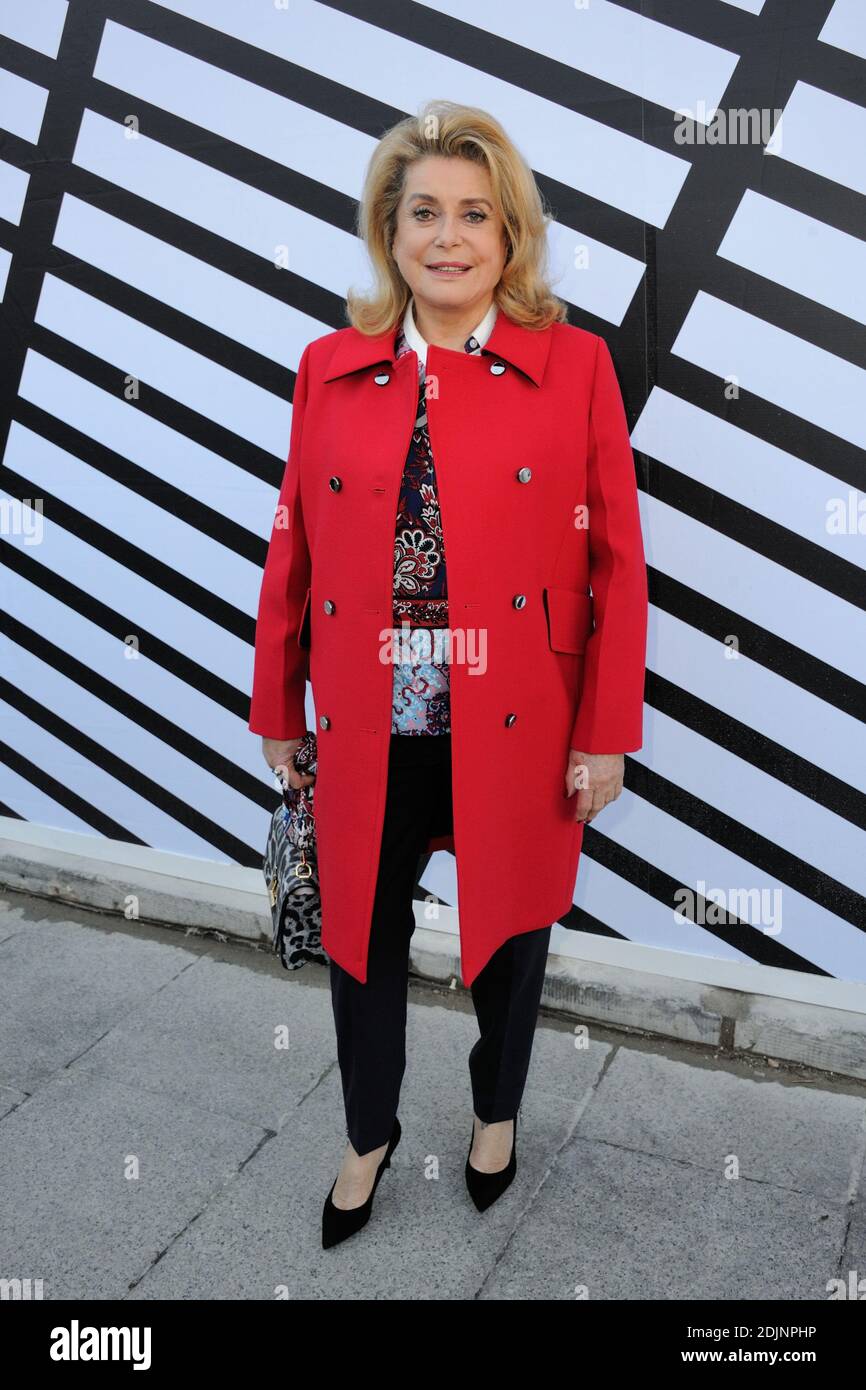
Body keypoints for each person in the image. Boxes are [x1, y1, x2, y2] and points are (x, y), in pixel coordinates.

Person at [248, 100, 648, 1248]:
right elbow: (294, 546)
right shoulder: (328, 364)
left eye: (475, 213)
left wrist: (602, 729)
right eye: (423, 211)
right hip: (371, 717)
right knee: (358, 942)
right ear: (389, 229)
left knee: (511, 941)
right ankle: (366, 1133)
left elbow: (616, 559)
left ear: (508, 236)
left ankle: (493, 1115)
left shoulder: (573, 366)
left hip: (518, 716)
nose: (448, 236)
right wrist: (279, 702)